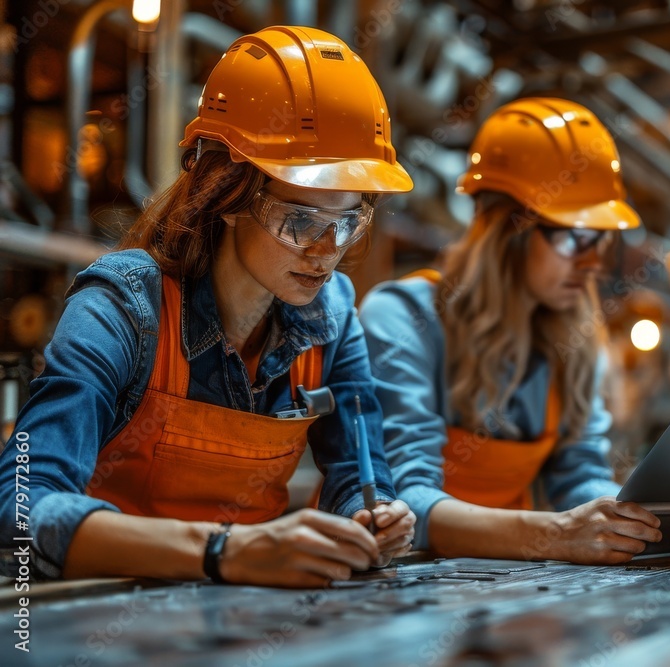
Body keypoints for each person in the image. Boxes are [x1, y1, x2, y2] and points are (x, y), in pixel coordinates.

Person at [0, 27, 415, 588]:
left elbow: (357, 474)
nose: (327, 253)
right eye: (300, 223)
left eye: (348, 222)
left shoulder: (334, 314)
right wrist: (222, 551)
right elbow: (21, 510)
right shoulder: (121, 309)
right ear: (223, 192)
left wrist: (372, 515)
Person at [360, 98, 670, 564]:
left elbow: (578, 477)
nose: (592, 262)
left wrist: (662, 521)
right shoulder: (402, 319)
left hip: (494, 589)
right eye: (573, 237)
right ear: (508, 230)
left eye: (601, 239)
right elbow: (404, 504)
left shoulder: (576, 342)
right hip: (388, 588)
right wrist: (556, 536)